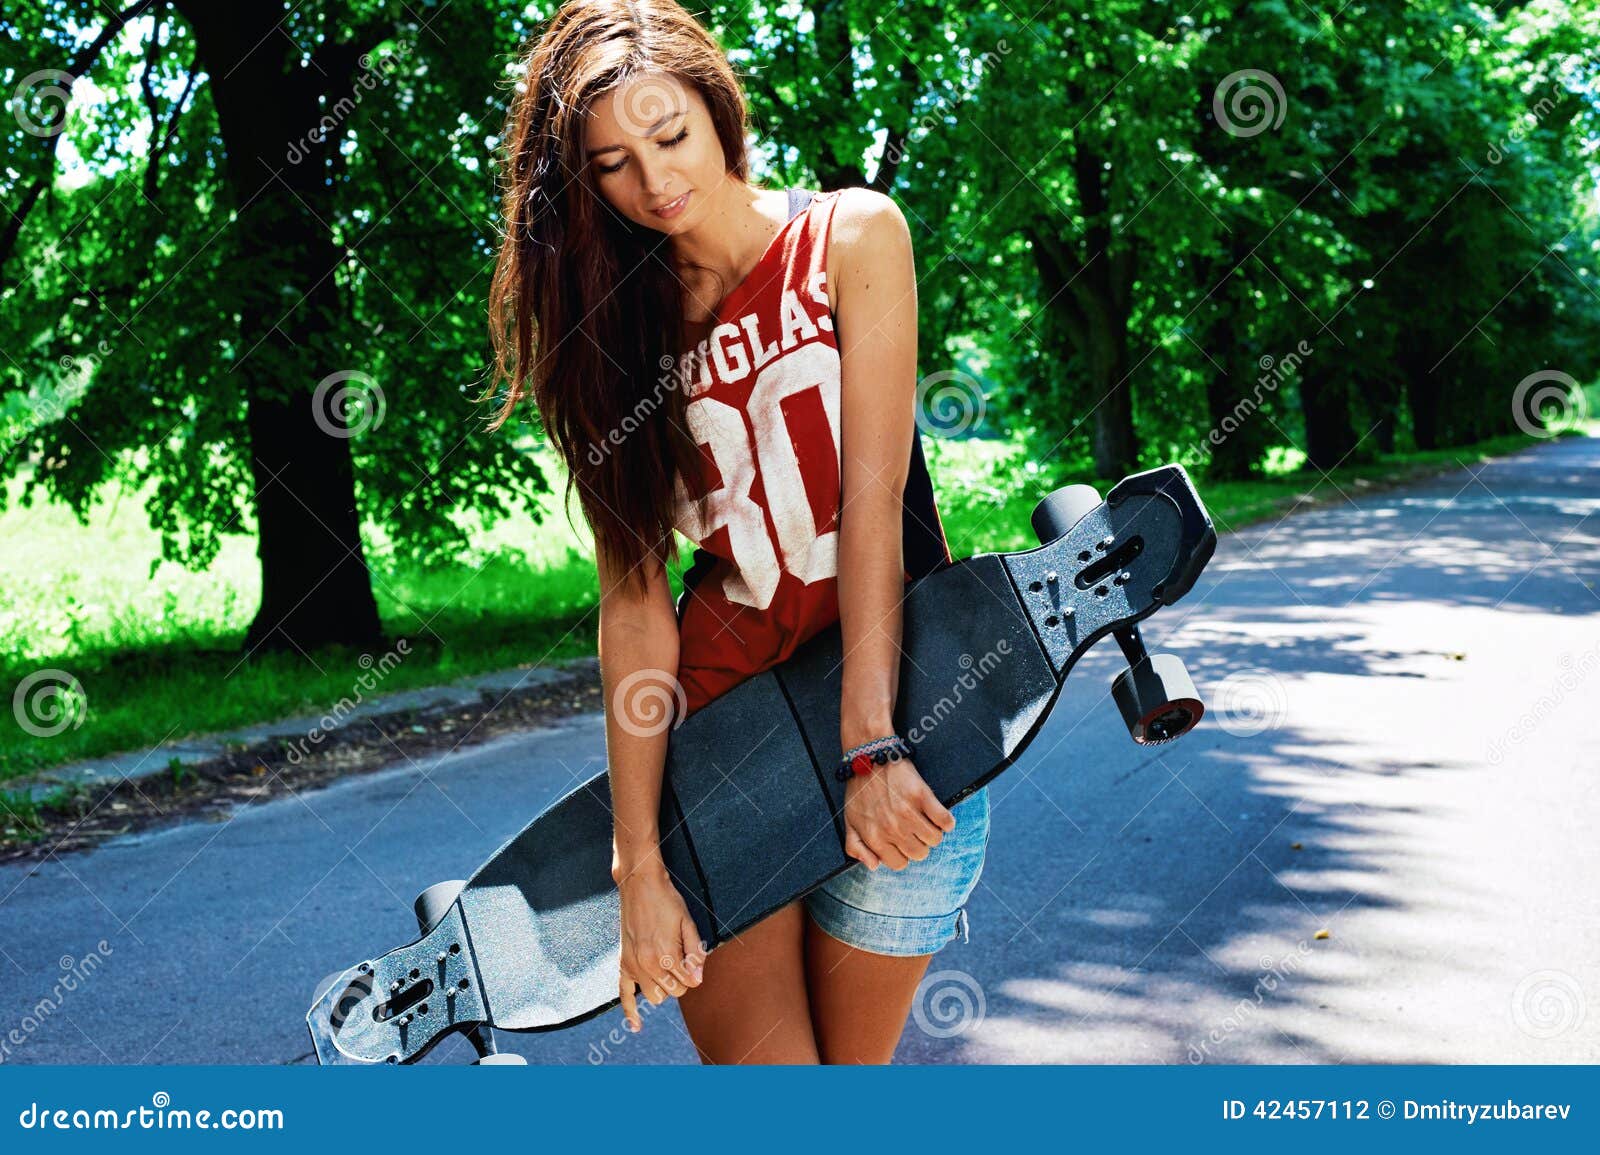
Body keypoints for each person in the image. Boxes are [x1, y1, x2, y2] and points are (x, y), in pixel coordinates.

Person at [482, 0, 990, 1064]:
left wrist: (872, 744)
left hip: (900, 721)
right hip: (721, 744)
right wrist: (638, 866)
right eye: (613, 163)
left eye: (669, 137)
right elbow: (632, 608)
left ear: (717, 109)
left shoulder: (852, 235)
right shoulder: (611, 338)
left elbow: (874, 508)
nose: (654, 181)